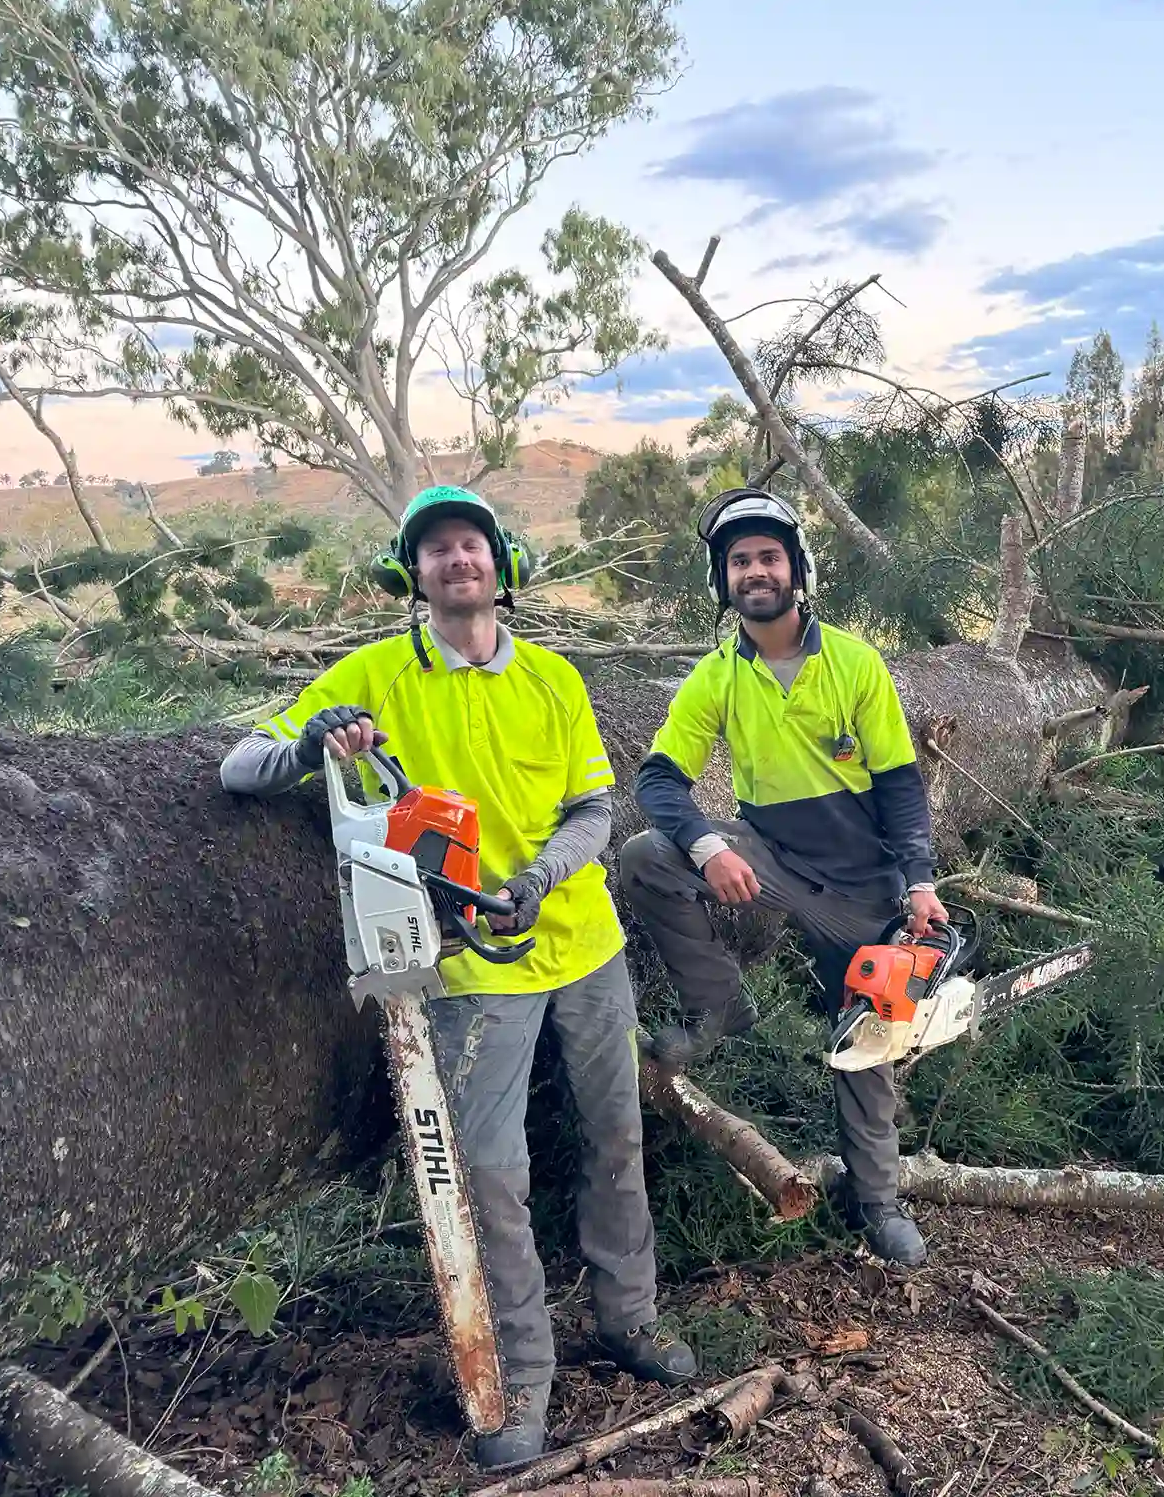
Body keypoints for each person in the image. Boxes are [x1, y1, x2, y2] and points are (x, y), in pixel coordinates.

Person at [217, 485, 696, 1470]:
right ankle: (521, 1373)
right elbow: (236, 765)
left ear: (501, 566)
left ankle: (629, 1319)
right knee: (487, 1172)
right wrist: (312, 745)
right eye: (434, 548)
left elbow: (592, 815)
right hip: (467, 962)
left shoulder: (556, 681)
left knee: (616, 1135)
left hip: (584, 942)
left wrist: (538, 881)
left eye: (469, 544)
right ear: (414, 575)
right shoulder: (373, 679)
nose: (455, 559)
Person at [618, 487, 945, 1268]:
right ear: (722, 579)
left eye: (768, 557)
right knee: (646, 855)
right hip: (771, 862)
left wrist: (920, 882)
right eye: (740, 561)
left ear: (796, 568)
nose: (755, 571)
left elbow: (900, 785)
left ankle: (879, 1202)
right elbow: (659, 781)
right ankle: (720, 1004)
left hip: (863, 887)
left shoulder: (854, 664)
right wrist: (707, 846)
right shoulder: (717, 677)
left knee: (865, 1041)